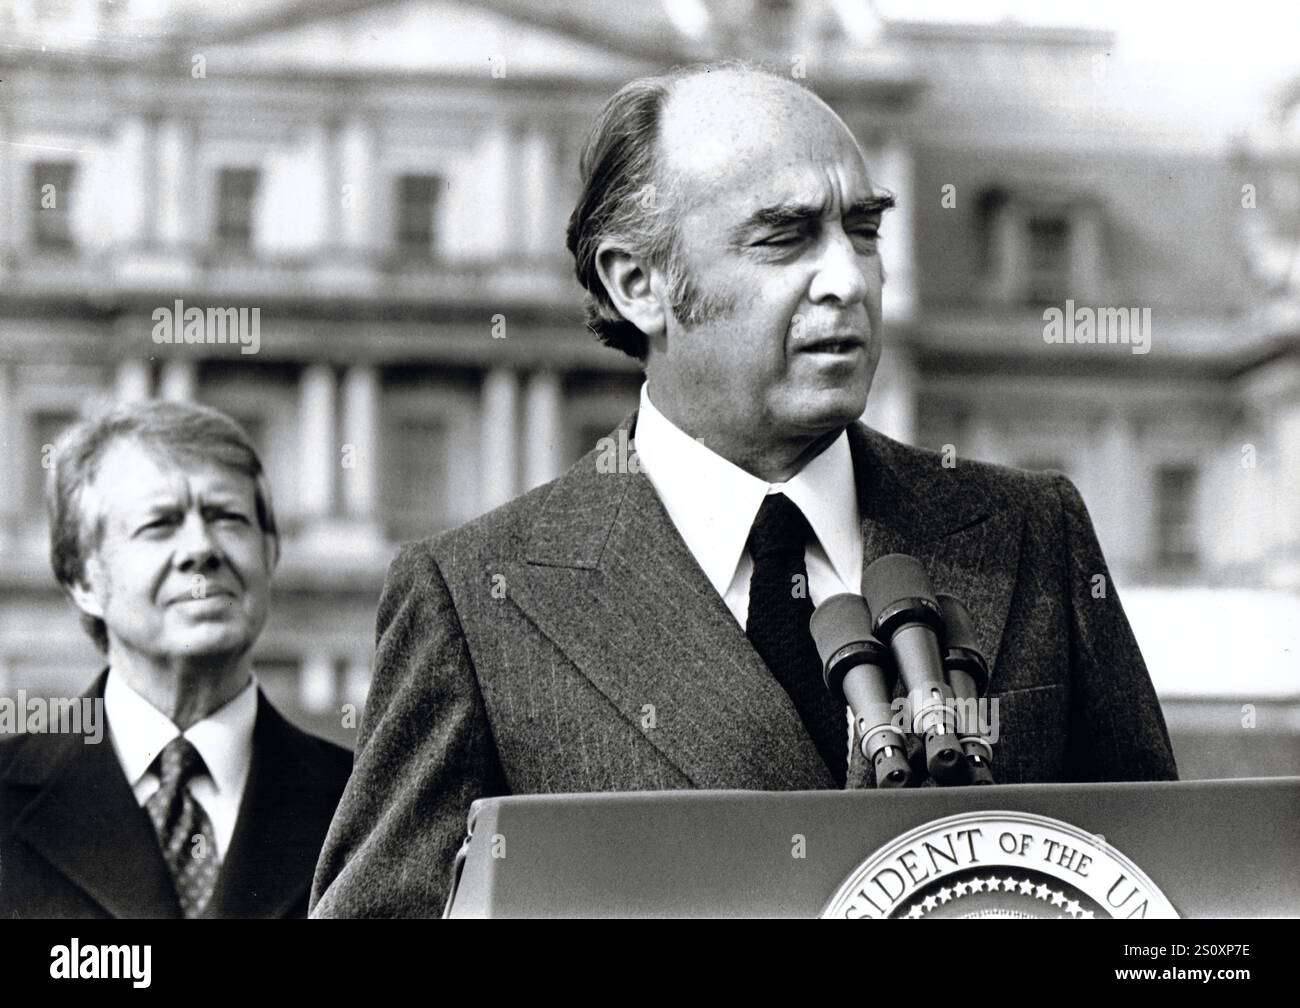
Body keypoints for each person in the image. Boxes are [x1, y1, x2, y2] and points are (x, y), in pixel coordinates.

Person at [311, 63, 1176, 918]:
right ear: (637, 284)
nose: (850, 280)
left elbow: (1173, 889)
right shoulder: (472, 599)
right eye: (785, 238)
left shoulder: (1032, 531)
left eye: (864, 231)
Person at [0, 400, 352, 918]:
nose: (201, 548)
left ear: (271, 552)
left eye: (228, 517)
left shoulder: (367, 803)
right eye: (159, 524)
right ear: (82, 579)